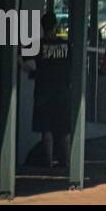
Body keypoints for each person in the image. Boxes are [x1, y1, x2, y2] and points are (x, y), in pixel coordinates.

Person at [25, 11, 71, 168]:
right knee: (63, 130)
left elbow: (21, 57)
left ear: (42, 27)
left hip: (44, 91)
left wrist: (32, 72)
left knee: (47, 129)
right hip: (62, 92)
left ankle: (49, 162)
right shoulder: (64, 45)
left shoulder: (38, 45)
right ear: (55, 26)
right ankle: (67, 162)